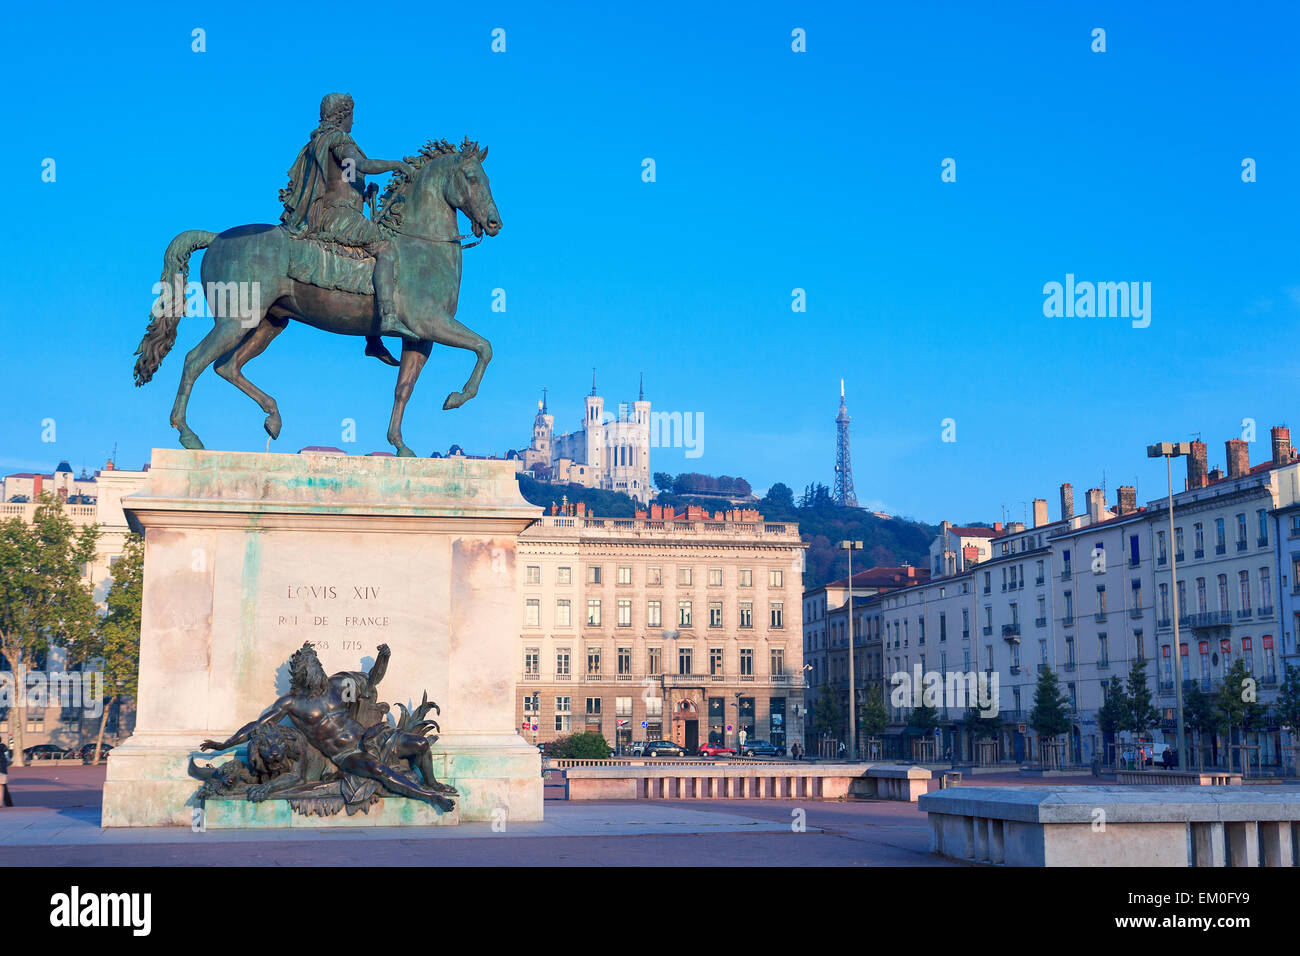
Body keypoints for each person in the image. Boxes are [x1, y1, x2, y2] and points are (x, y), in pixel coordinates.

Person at [280, 93, 416, 367]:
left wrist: (364, 195)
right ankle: (387, 316)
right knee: (387, 248)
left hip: (333, 211)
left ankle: (373, 339)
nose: (354, 120)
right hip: (337, 215)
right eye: (352, 114)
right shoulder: (339, 140)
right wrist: (397, 165)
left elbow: (342, 179)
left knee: (370, 254)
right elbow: (360, 165)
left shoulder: (316, 141)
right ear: (343, 115)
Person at [0, 742, 12, 807]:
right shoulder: (4, 748)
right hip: (3, 771)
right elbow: (8, 761)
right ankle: (9, 804)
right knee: (3, 788)